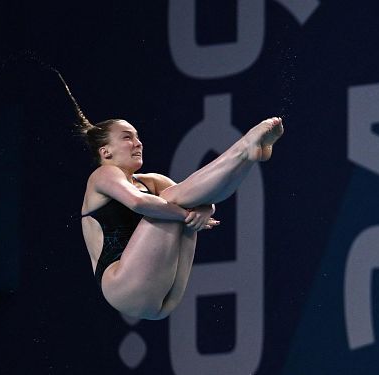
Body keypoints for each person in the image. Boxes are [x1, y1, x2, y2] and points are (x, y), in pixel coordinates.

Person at [61, 74, 284, 320]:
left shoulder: (151, 181)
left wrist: (202, 211)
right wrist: (186, 215)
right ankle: (242, 148)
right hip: (122, 285)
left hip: (164, 297)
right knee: (166, 200)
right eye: (127, 137)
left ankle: (249, 157)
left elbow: (204, 199)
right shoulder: (102, 175)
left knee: (175, 197)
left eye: (137, 136)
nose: (138, 143)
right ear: (105, 151)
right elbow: (139, 202)